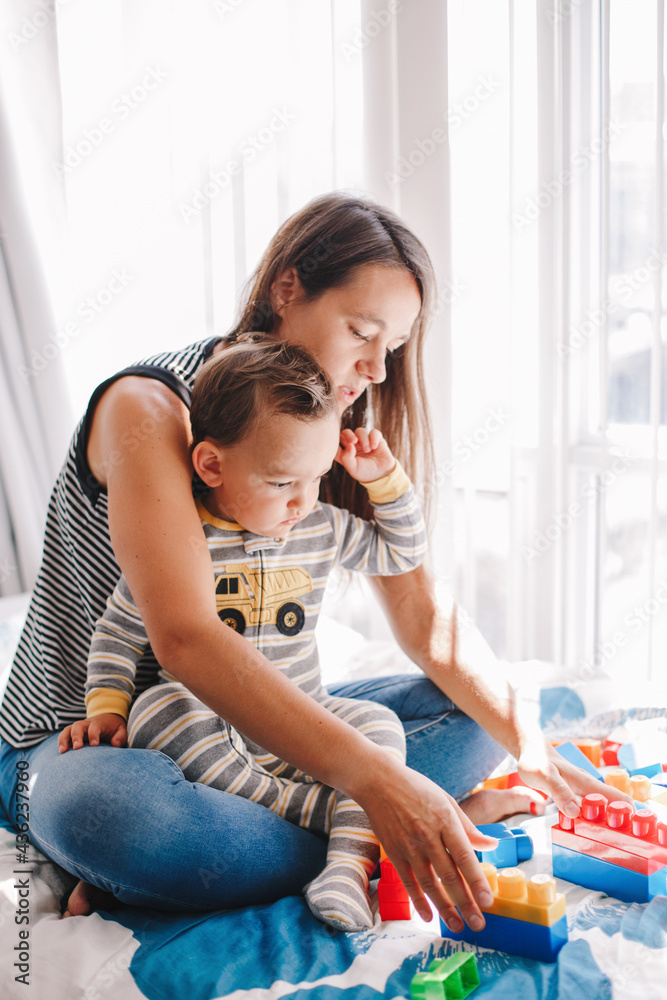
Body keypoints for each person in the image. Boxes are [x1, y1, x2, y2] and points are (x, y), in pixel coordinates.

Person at [0, 192, 629, 935]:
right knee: (114, 819)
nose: (375, 368)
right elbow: (186, 638)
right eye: (361, 331)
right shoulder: (151, 408)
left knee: (476, 717)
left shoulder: (332, 426)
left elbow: (426, 619)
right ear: (286, 288)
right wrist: (379, 782)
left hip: (251, 745)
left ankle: (306, 840)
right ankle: (364, 832)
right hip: (94, 741)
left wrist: (526, 738)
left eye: (390, 346)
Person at [60, 338, 433, 931]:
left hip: (304, 722)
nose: (302, 502)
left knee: (380, 724)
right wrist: (105, 706)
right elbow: (118, 631)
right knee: (158, 708)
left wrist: (385, 480)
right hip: (215, 737)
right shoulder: (186, 545)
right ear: (212, 466)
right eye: (283, 483)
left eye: (315, 480)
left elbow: (403, 550)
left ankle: (344, 868)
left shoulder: (322, 528)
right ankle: (333, 819)